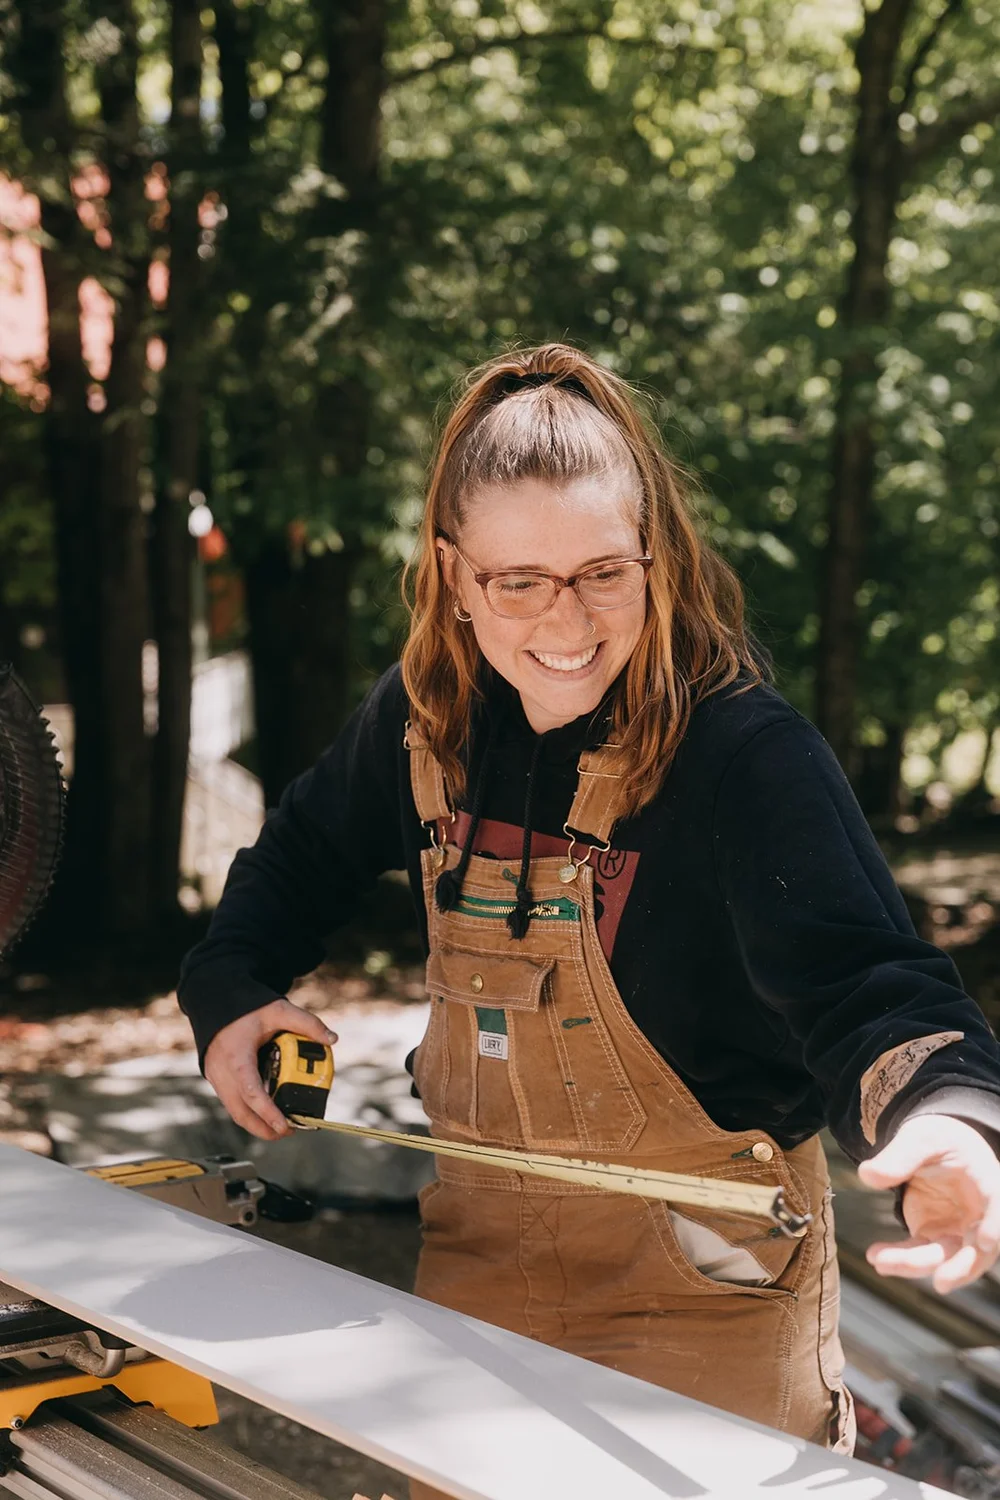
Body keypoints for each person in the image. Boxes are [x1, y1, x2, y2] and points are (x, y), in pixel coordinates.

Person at [179, 344, 1000, 1471]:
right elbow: (298, 856)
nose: (565, 624)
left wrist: (950, 1121)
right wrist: (231, 989)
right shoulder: (425, 722)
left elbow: (871, 984)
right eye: (519, 582)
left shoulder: (744, 754)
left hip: (709, 1296)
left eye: (603, 573)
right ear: (454, 574)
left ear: (655, 557)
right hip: (476, 1274)